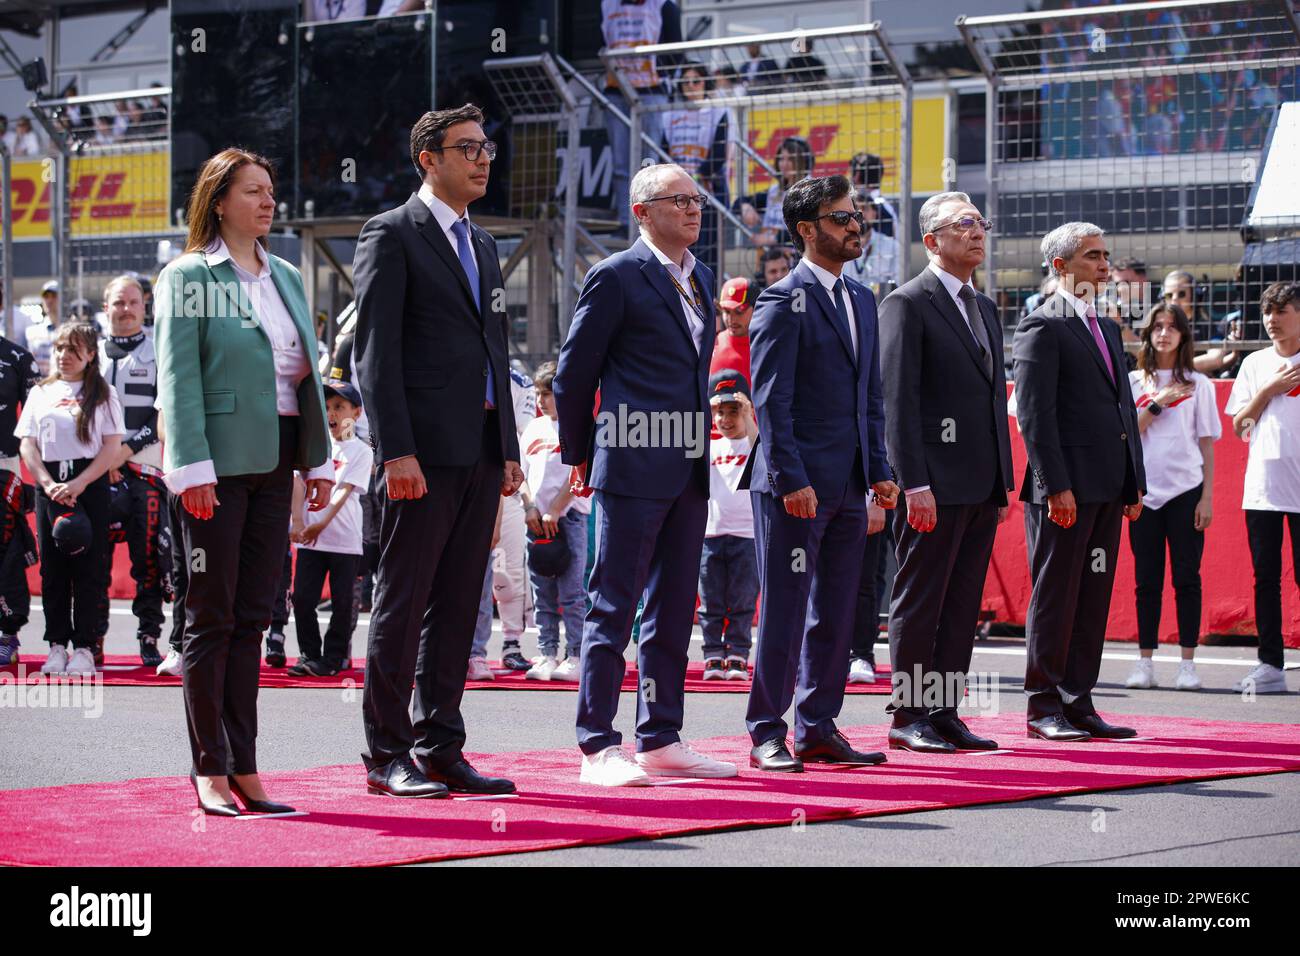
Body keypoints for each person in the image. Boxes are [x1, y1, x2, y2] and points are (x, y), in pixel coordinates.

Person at [156, 147, 334, 816]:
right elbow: (179, 377)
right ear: (219, 200)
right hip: (217, 466)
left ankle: (247, 766)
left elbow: (307, 377)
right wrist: (192, 469)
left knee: (256, 615)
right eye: (252, 191)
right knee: (211, 615)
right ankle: (209, 768)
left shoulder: (287, 273)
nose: (267, 202)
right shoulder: (186, 275)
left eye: (270, 190)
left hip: (280, 459)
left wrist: (317, 462)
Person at [353, 104, 522, 799]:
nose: (484, 159)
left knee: (460, 604)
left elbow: (496, 348)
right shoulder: (390, 233)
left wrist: (508, 444)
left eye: (486, 148)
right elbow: (374, 354)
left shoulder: (482, 243)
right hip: (418, 455)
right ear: (428, 158)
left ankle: (440, 746)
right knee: (403, 603)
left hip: (480, 449)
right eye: (467, 149)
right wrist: (395, 452)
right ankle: (386, 755)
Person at [554, 162, 736, 786]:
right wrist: (579, 452)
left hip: (687, 464)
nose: (693, 208)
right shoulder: (615, 276)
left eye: (697, 198)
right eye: (677, 199)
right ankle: (597, 746)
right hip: (629, 462)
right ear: (642, 211)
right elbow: (574, 374)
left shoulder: (700, 276)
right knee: (613, 605)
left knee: (674, 608)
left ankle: (660, 735)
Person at [746, 174, 899, 773]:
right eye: (840, 218)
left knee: (836, 611)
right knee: (785, 609)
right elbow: (771, 401)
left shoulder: (863, 298)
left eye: (855, 214)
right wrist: (791, 479)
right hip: (795, 487)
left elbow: (872, 397)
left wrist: (881, 470)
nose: (855, 225)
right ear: (807, 230)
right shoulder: (782, 300)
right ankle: (766, 732)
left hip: (850, 485)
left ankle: (817, 726)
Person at [878, 192, 1014, 753]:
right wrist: (914, 483)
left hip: (980, 482)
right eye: (964, 224)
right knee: (920, 598)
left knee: (962, 602)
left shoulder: (984, 308)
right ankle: (908, 716)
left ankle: (944, 710)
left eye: (981, 221)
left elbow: (989, 399)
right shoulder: (907, 303)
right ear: (932, 240)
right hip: (931, 483)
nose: (977, 231)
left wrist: (1001, 480)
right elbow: (897, 403)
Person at [1012, 221, 1146, 742]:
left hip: (1108, 487)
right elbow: (1035, 416)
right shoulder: (1041, 325)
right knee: (1056, 597)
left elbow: (1123, 410)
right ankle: (1044, 706)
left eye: (1105, 255)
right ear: (1061, 266)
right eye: (1093, 255)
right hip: (1063, 491)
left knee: (1093, 596)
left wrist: (1133, 480)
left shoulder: (1108, 328)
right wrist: (1054, 485)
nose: (1104, 265)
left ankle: (1079, 701)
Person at [17, 323, 123, 677]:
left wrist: (80, 483)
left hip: (88, 486)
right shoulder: (41, 392)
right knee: (53, 571)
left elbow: (111, 447)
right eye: (61, 348)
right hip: (50, 486)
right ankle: (57, 646)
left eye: (75, 349)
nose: (64, 356)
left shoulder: (103, 394)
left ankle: (85, 648)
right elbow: (27, 444)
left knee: (91, 569)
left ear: (91, 354)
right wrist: (46, 484)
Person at [1124, 302, 1220, 691]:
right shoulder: (1133, 382)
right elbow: (1130, 434)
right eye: (1157, 327)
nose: (1164, 333)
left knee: (1187, 578)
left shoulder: (1200, 384)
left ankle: (1187, 664)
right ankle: (1144, 662)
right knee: (1146, 580)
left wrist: (1207, 497)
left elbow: (1207, 444)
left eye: (1172, 327)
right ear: (1147, 334)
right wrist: (1159, 403)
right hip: (1144, 494)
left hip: (1185, 491)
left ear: (1183, 335)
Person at [1224, 281, 1300, 695]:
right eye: (1268, 311)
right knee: (1265, 578)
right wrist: (1269, 391)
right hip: (1264, 490)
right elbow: (1241, 427)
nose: (1272, 319)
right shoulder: (1255, 364)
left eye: (1282, 310)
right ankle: (1271, 665)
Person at [97, 275, 169, 666]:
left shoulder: (160, 347)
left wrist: (121, 453)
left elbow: (162, 410)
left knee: (149, 560)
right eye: (118, 303)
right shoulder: (88, 350)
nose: (125, 310)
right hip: (96, 471)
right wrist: (104, 459)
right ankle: (93, 639)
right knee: (93, 560)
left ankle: (148, 636)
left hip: (144, 469)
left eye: (133, 303)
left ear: (145, 307)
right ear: (105, 307)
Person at [288, 380, 373, 676]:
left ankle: (333, 659)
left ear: (357, 412)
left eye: (339, 407)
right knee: (302, 598)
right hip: (310, 540)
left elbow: (343, 493)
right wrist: (298, 523)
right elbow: (298, 482)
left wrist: (319, 524)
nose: (332, 414)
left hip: (344, 541)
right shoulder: (314, 445)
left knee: (343, 603)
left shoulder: (361, 451)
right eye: (326, 408)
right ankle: (309, 654)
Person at [519, 361, 589, 681]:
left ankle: (575, 654)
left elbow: (579, 472)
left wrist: (557, 509)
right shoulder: (533, 428)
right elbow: (520, 474)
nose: (540, 400)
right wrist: (530, 507)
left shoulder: (578, 425)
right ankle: (547, 652)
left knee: (572, 592)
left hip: (569, 518)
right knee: (541, 592)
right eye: (537, 394)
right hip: (536, 523)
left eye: (547, 393)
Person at [468, 364, 536, 677]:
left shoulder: (518, 380)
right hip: (465, 478)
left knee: (506, 574)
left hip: (508, 486)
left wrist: (526, 497)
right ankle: (465, 650)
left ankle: (510, 643)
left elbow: (522, 436)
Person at [600, 0, 683, 227]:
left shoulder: (664, 5)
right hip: (616, 90)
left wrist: (658, 71)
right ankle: (627, 223)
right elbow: (600, 43)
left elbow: (676, 50)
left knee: (649, 164)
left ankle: (651, 222)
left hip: (651, 91)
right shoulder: (607, 4)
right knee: (620, 164)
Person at [699, 369, 758, 679]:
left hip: (747, 536)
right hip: (711, 534)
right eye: (719, 412)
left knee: (742, 600)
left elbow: (759, 444)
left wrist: (747, 412)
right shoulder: (710, 446)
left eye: (732, 412)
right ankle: (712, 654)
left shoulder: (752, 444)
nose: (725, 419)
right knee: (710, 601)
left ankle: (737, 653)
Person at [661, 62, 731, 272]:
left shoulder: (719, 112)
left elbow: (720, 153)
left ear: (705, 82)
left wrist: (695, 180)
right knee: (678, 247)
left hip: (708, 192)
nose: (691, 86)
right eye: (686, 82)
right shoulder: (668, 115)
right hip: (677, 195)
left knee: (707, 251)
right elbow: (663, 152)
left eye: (696, 81)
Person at [0, 330, 42, 665]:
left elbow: (36, 422)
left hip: (4, 467)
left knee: (6, 549)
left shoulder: (17, 358)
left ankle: (7, 633)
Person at [737, 137, 813, 247]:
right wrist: (745, 207)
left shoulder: (811, 190)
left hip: (797, 258)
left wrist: (773, 239)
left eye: (790, 159)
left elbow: (808, 227)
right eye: (781, 159)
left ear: (802, 162)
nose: (784, 164)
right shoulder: (775, 191)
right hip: (769, 257)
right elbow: (738, 202)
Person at [846, 199, 900, 295]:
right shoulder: (840, 246)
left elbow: (899, 285)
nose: (860, 214)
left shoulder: (892, 246)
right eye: (856, 209)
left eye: (865, 208)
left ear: (875, 214)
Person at [709, 276, 755, 382]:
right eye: (726, 311)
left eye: (739, 311)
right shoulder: (712, 343)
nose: (731, 319)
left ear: (756, 308)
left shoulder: (765, 346)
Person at [25, 281, 61, 377]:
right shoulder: (31, 332)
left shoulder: (71, 331)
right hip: (39, 384)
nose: (49, 300)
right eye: (46, 296)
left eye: (54, 296)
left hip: (63, 384)